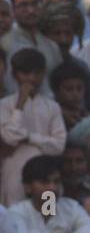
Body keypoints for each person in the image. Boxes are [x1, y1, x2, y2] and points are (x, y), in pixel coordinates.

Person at [2, 49, 66, 205]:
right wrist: (20, 106)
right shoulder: (4, 105)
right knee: (15, 218)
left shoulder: (52, 107)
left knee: (47, 215)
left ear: (43, 74)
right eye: (25, 73)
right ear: (15, 75)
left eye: (36, 73)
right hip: (14, 174)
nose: (31, 78)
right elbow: (10, 138)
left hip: (47, 177)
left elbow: (59, 145)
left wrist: (29, 137)